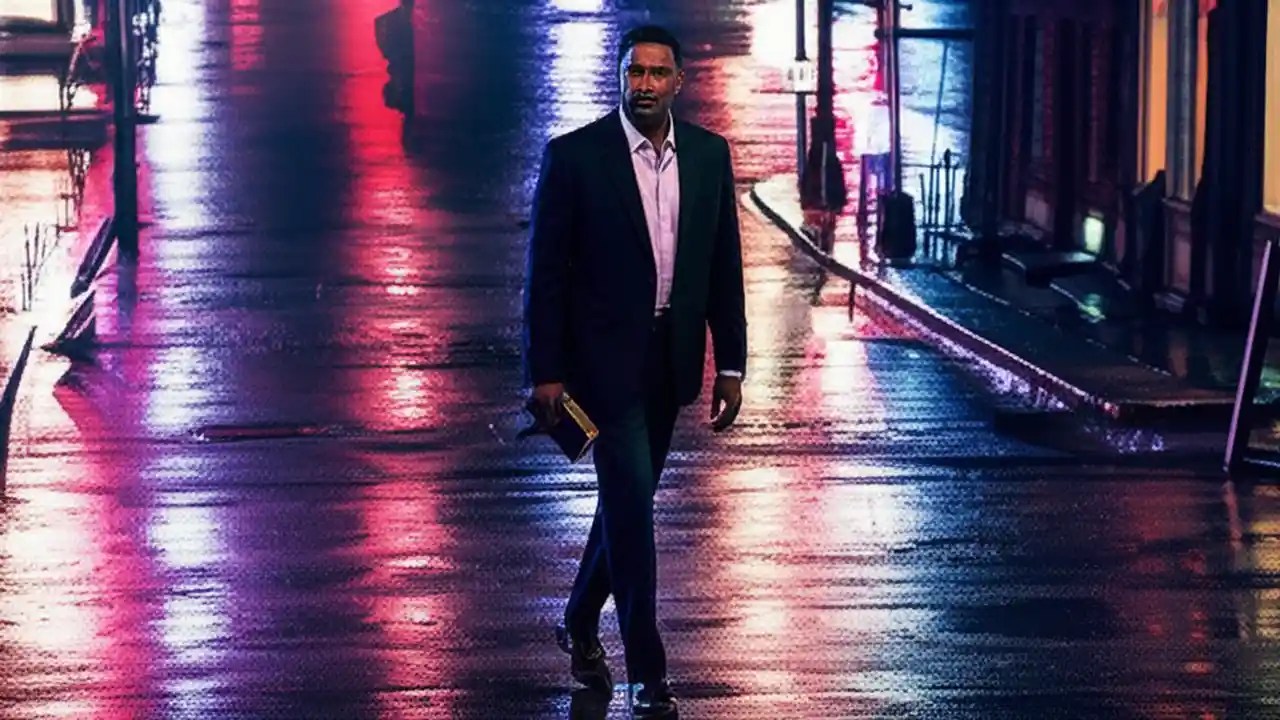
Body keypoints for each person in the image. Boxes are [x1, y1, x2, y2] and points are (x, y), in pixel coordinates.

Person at [522, 23, 747, 719]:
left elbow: (722, 267)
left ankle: (581, 619)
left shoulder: (709, 157)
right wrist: (547, 372)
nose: (645, 84)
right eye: (634, 72)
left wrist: (731, 362)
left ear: (679, 81)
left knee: (628, 508)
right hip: (602, 367)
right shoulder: (576, 157)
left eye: (658, 73)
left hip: (669, 364)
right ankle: (650, 674)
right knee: (633, 519)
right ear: (620, 78)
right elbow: (546, 275)